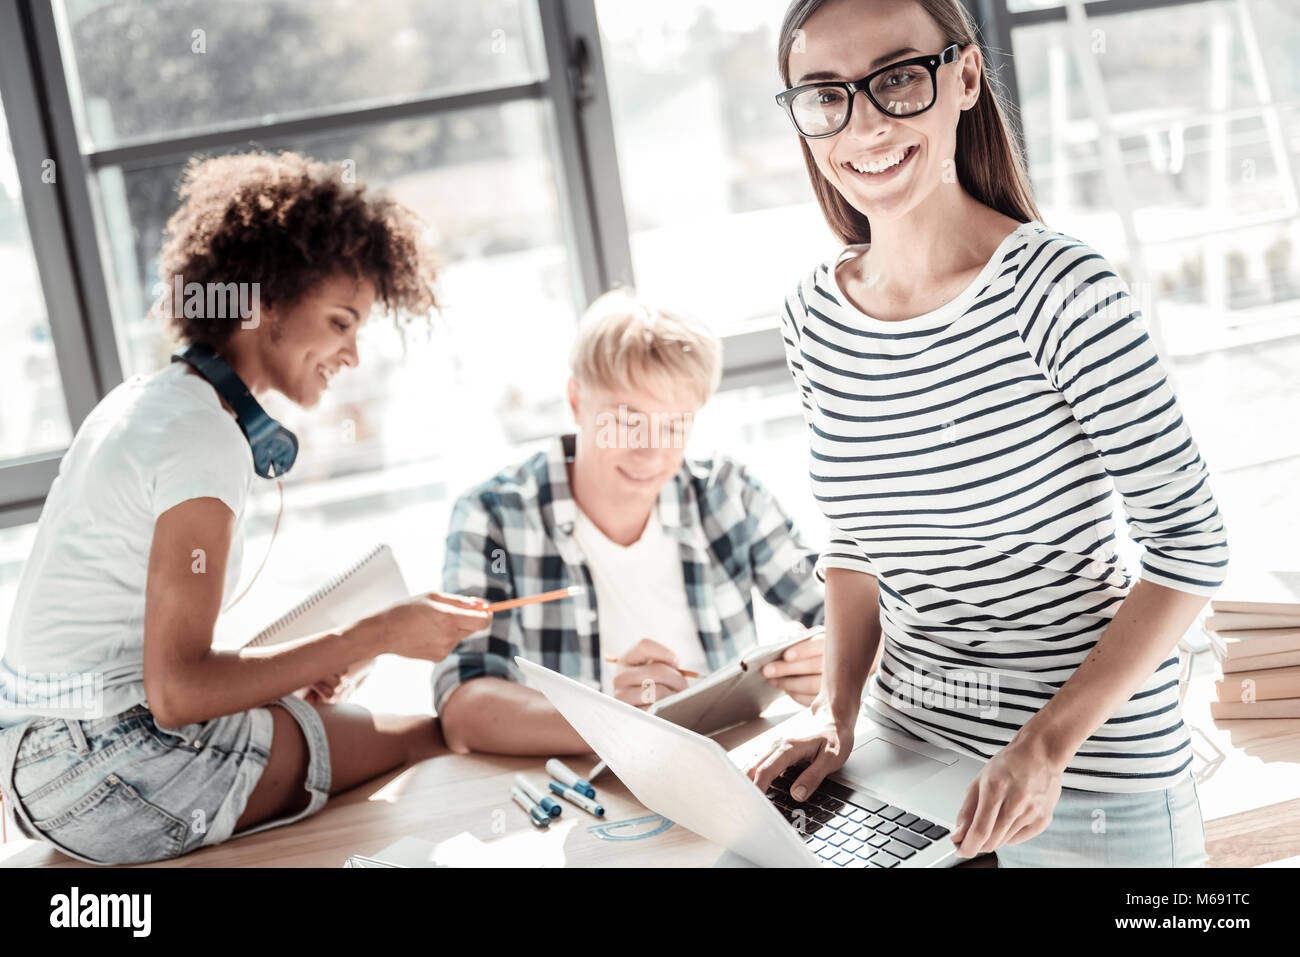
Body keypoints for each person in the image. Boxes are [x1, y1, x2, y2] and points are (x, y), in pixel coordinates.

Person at [746, 0, 1229, 868]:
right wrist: (834, 710)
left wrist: (1044, 747)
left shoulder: (1060, 289)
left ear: (965, 76)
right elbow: (854, 543)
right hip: (906, 766)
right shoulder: (812, 313)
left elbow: (1190, 543)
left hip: (1086, 785)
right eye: (825, 96)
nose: (863, 124)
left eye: (896, 79)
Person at [0, 152, 493, 865]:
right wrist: (375, 633)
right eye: (339, 321)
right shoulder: (203, 437)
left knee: (322, 715)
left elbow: (155, 669)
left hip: (32, 770)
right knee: (424, 731)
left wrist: (294, 670)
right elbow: (177, 692)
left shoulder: (150, 403)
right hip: (111, 769)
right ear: (262, 302)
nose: (352, 352)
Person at [435, 290, 835, 756]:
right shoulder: (494, 517)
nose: (651, 453)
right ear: (575, 401)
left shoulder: (728, 494)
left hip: (729, 769)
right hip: (583, 795)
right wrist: (614, 721)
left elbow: (842, 613)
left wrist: (836, 661)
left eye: (673, 426)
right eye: (627, 421)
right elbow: (465, 708)